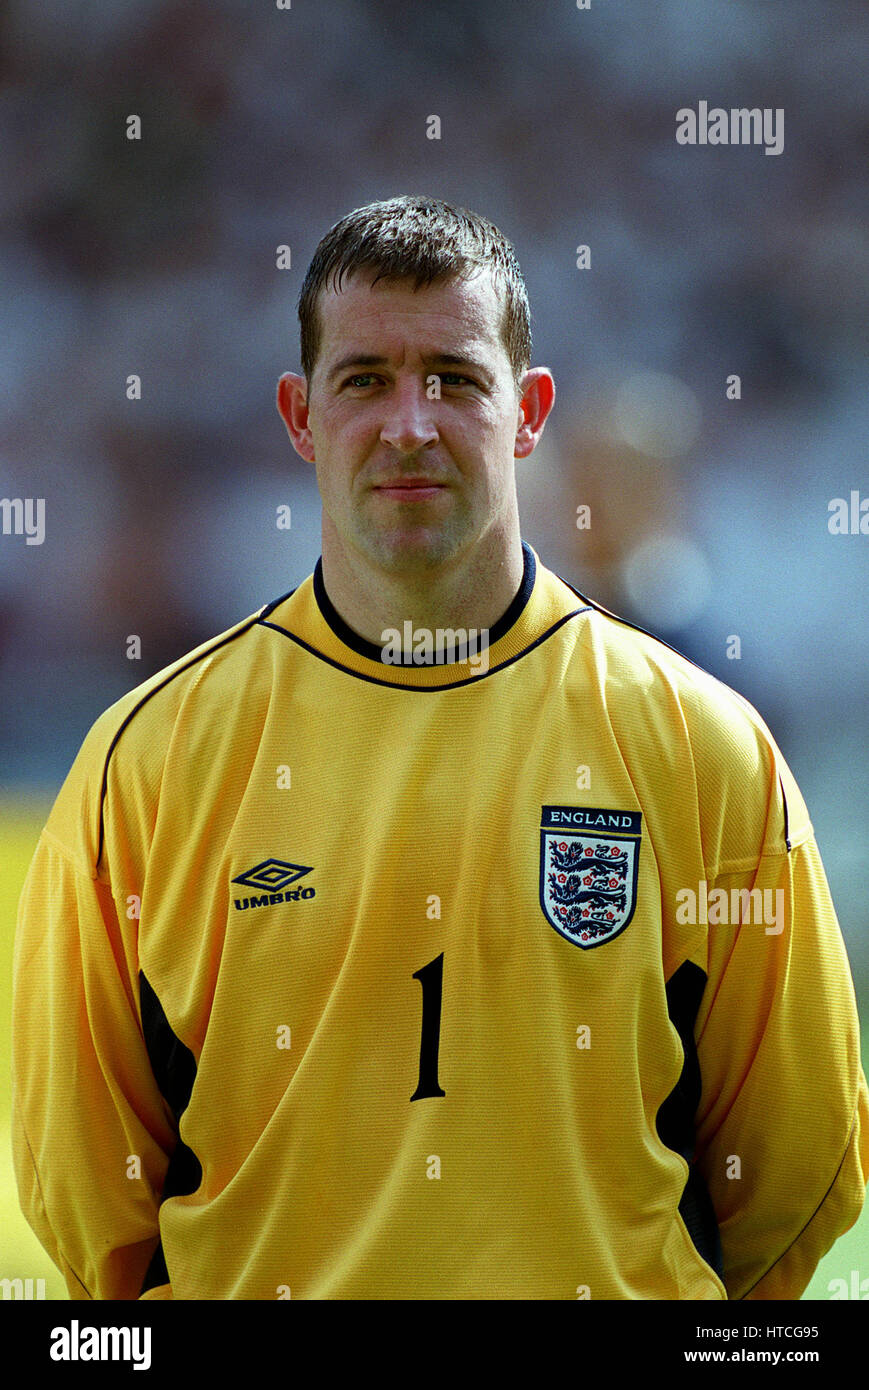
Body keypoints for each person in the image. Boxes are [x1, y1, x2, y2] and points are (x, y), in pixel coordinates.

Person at [12, 195, 868, 1301]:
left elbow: (796, 1174)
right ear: (299, 417)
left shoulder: (704, 746)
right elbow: (85, 1202)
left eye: (454, 379)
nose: (408, 423)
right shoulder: (147, 761)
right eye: (364, 378)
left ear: (529, 412)